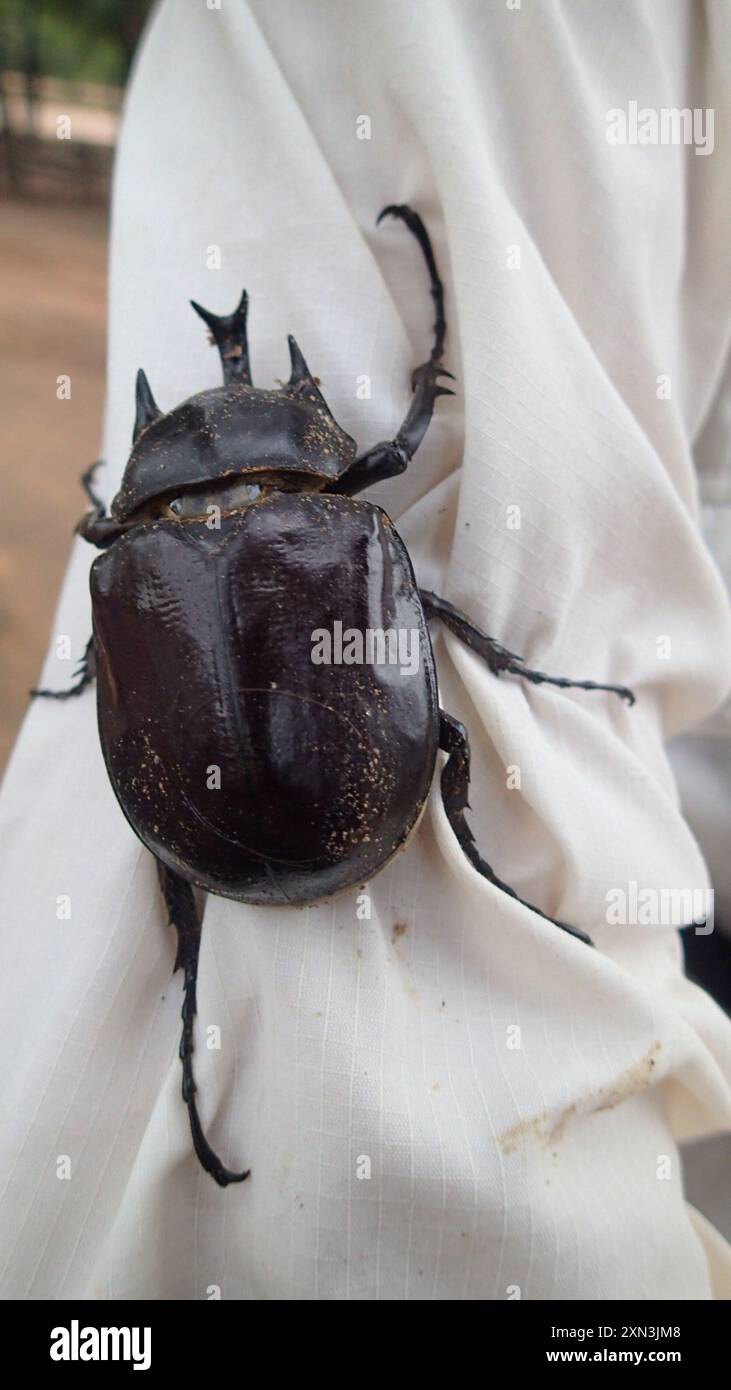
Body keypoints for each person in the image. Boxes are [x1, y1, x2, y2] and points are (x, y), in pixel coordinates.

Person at [1, 0, 729, 1299]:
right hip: (363, 817)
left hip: (222, 849)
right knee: (441, 659)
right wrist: (440, 344)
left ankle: (189, 1001)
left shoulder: (128, 576)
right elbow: (422, 538)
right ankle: (220, 988)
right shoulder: (350, 514)